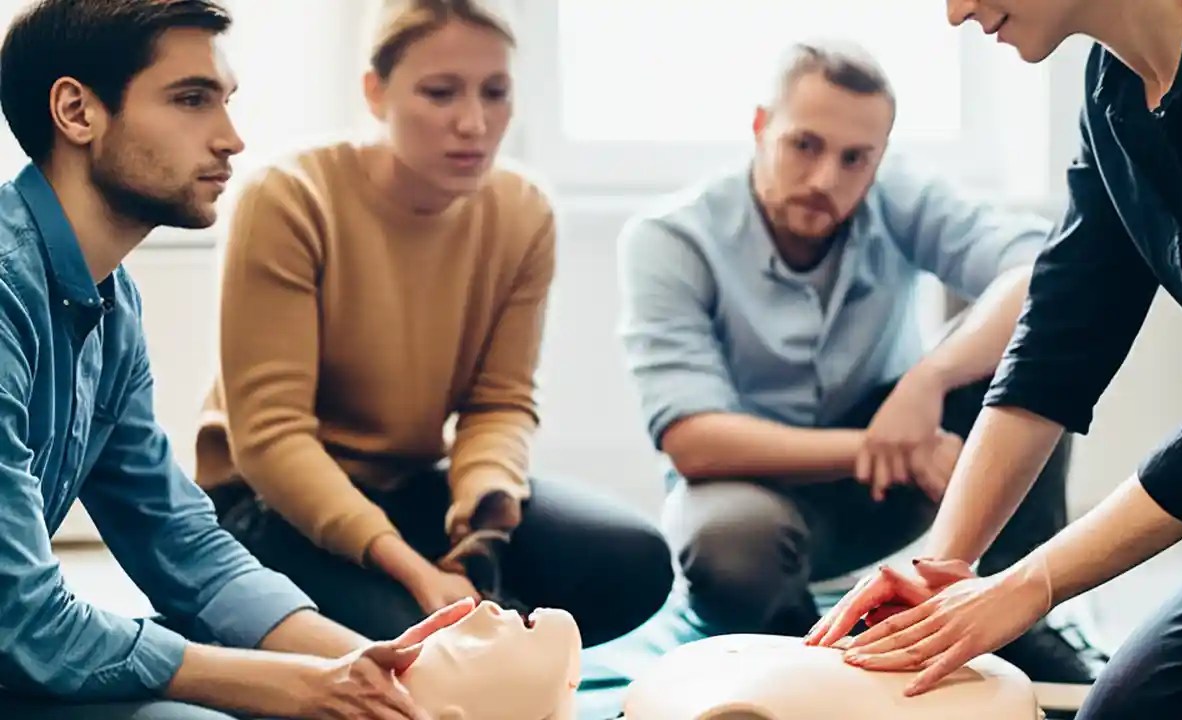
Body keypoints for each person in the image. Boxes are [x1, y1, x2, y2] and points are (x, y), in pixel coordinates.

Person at [0, 2, 476, 719]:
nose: (231, 139)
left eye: (225, 101)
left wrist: (371, 667)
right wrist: (295, 687)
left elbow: (174, 535)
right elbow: (23, 619)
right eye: (192, 100)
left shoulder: (109, 301)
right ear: (76, 111)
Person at [808, 1, 1182, 718]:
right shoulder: (1113, 90)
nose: (956, 12)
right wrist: (941, 568)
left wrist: (1028, 584)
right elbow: (1057, 344)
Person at [616, 36, 1104, 689]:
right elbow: (694, 441)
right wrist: (875, 445)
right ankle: (807, 659)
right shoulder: (669, 240)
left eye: (855, 159)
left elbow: (1044, 272)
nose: (827, 179)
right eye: (804, 146)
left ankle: (1015, 619)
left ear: (879, 159)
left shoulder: (896, 191)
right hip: (754, 495)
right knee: (728, 544)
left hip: (894, 484)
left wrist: (929, 378)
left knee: (1033, 356)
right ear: (761, 128)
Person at [194, 0, 673, 649]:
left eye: (495, 93)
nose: (474, 123)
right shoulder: (289, 197)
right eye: (440, 93)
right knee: (430, 646)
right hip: (266, 505)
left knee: (635, 560)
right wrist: (413, 569)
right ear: (375, 91)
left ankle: (450, 623)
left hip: (412, 487)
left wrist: (479, 530)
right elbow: (272, 439)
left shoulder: (522, 210)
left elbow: (499, 403)